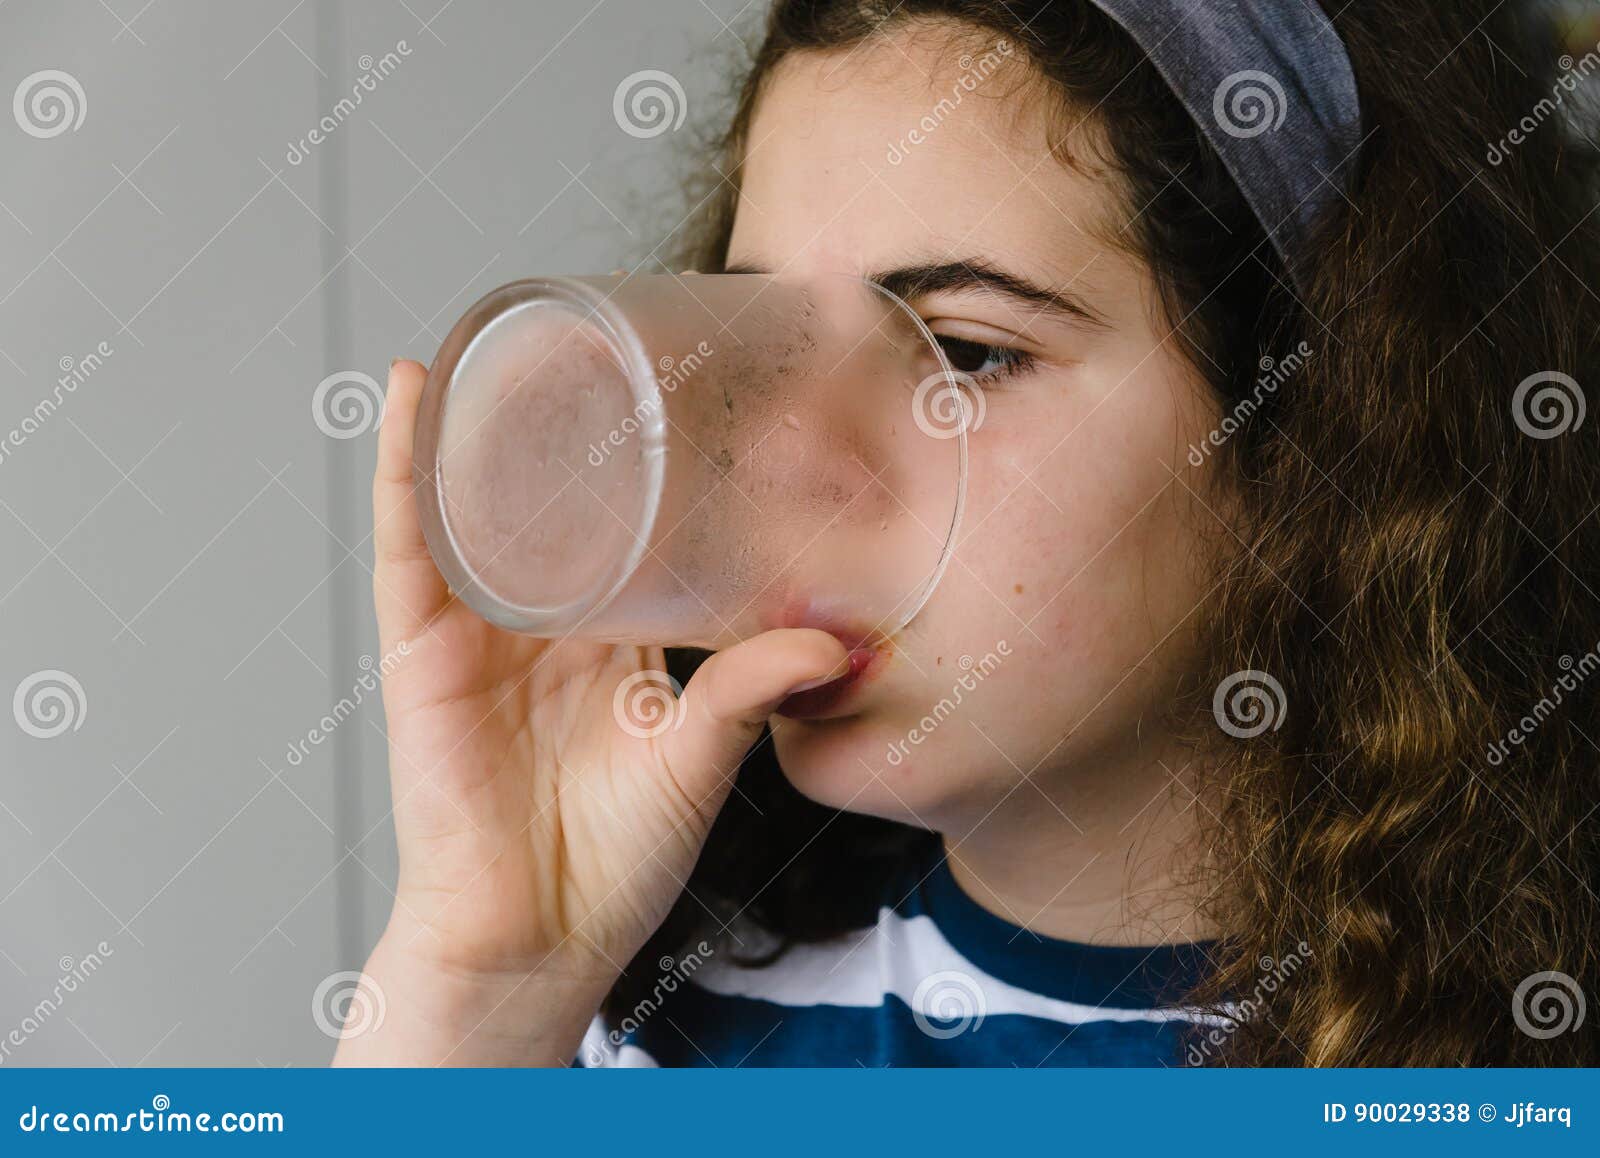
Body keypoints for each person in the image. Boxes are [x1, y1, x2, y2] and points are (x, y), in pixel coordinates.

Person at [336, 0, 1600, 1067]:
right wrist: (484, 981)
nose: (779, 460)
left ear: (1318, 428)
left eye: (965, 354)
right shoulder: (665, 1039)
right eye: (756, 345)